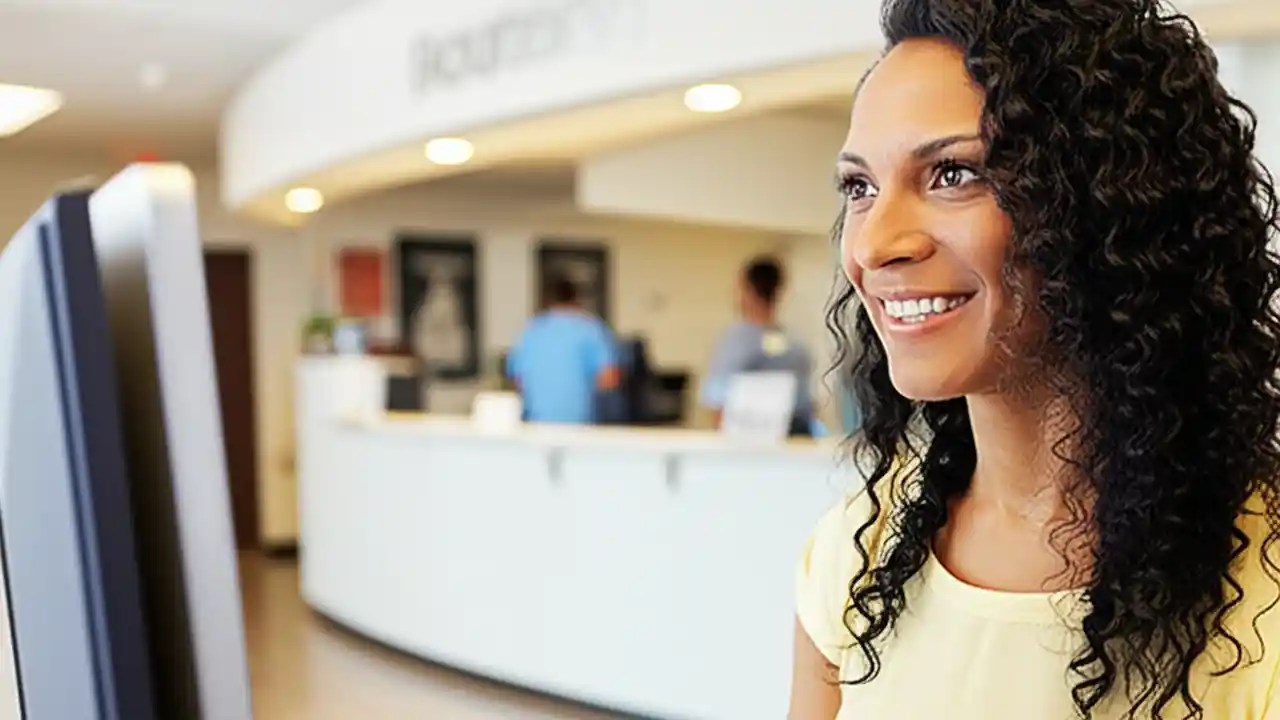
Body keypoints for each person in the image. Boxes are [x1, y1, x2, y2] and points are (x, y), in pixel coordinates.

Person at [790, 2, 1280, 719]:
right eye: (860, 187)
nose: (872, 246)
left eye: (954, 174)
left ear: (1106, 205)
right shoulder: (855, 553)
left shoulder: (1262, 589)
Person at [701, 257, 815, 435]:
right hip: (793, 444)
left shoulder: (735, 343)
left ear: (748, 290)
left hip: (745, 443)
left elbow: (717, 402)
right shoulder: (796, 347)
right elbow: (808, 406)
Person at [507, 276, 619, 424]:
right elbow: (609, 379)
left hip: (537, 423)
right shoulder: (590, 329)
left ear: (547, 301)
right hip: (579, 423)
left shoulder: (531, 330)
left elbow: (518, 381)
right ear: (576, 299)